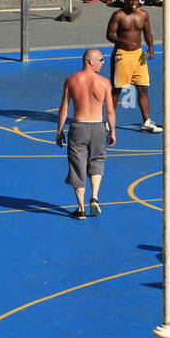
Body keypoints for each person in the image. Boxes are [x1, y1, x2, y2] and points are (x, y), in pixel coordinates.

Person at [55, 49, 117, 219]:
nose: (103, 63)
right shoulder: (104, 82)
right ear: (91, 62)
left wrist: (59, 131)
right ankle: (95, 196)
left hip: (79, 127)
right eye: (101, 60)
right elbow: (110, 111)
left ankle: (80, 208)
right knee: (97, 160)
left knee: (77, 165)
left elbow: (64, 108)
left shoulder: (72, 80)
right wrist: (112, 131)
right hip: (98, 126)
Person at [105, 0, 162, 133]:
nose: (134, 3)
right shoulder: (118, 15)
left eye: (136, 0)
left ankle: (146, 122)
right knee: (117, 89)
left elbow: (147, 32)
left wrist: (151, 47)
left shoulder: (143, 14)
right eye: (131, 0)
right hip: (122, 55)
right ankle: (108, 121)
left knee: (143, 88)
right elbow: (109, 35)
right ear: (126, 0)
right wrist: (122, 41)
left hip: (139, 55)